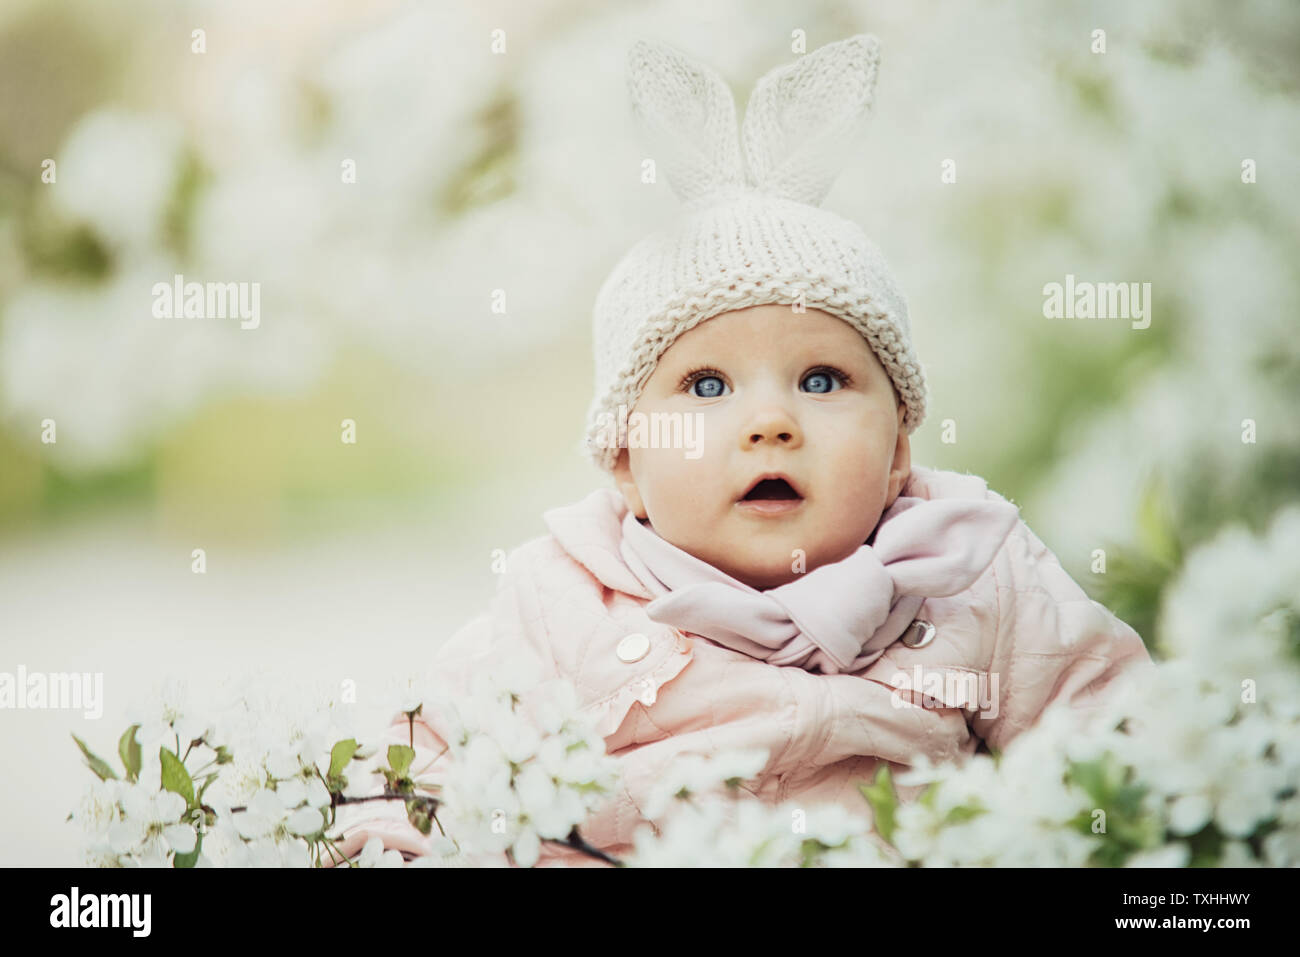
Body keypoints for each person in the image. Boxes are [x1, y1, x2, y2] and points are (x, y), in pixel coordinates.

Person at [330, 33, 1153, 867]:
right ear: (626, 462)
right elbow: (421, 774)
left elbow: (1119, 736)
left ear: (900, 448)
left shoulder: (970, 572)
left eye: (824, 381)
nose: (772, 423)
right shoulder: (561, 603)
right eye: (708, 387)